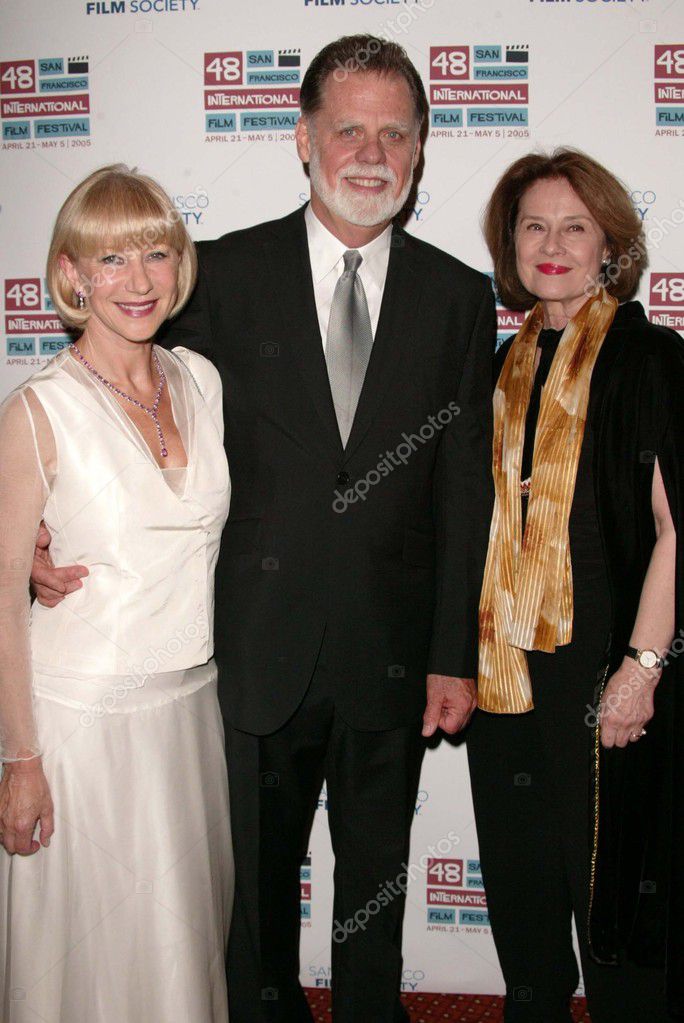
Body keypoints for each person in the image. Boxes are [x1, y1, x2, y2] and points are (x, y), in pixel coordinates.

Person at [32, 35, 495, 1023]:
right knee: (251, 901)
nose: (370, 152)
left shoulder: (459, 297)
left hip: (394, 652)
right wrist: (38, 527)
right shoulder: (217, 278)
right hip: (252, 651)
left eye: (394, 133)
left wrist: (456, 651)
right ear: (301, 139)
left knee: (378, 883)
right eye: (346, 130)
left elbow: (466, 484)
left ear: (419, 150)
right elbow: (109, 395)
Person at [0, 166, 233, 1022]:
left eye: (156, 253)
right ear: (72, 274)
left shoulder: (200, 381)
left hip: (186, 715)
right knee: (88, 960)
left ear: (179, 265)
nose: (137, 280)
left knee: (176, 951)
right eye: (111, 259)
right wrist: (20, 760)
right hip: (79, 726)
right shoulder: (36, 410)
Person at [468, 148, 684, 1022]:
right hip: (508, 676)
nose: (551, 244)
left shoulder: (649, 358)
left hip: (607, 671)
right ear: (510, 243)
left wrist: (642, 665)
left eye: (574, 226)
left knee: (617, 915)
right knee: (523, 900)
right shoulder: (498, 368)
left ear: (611, 247)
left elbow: (678, 527)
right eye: (533, 225)